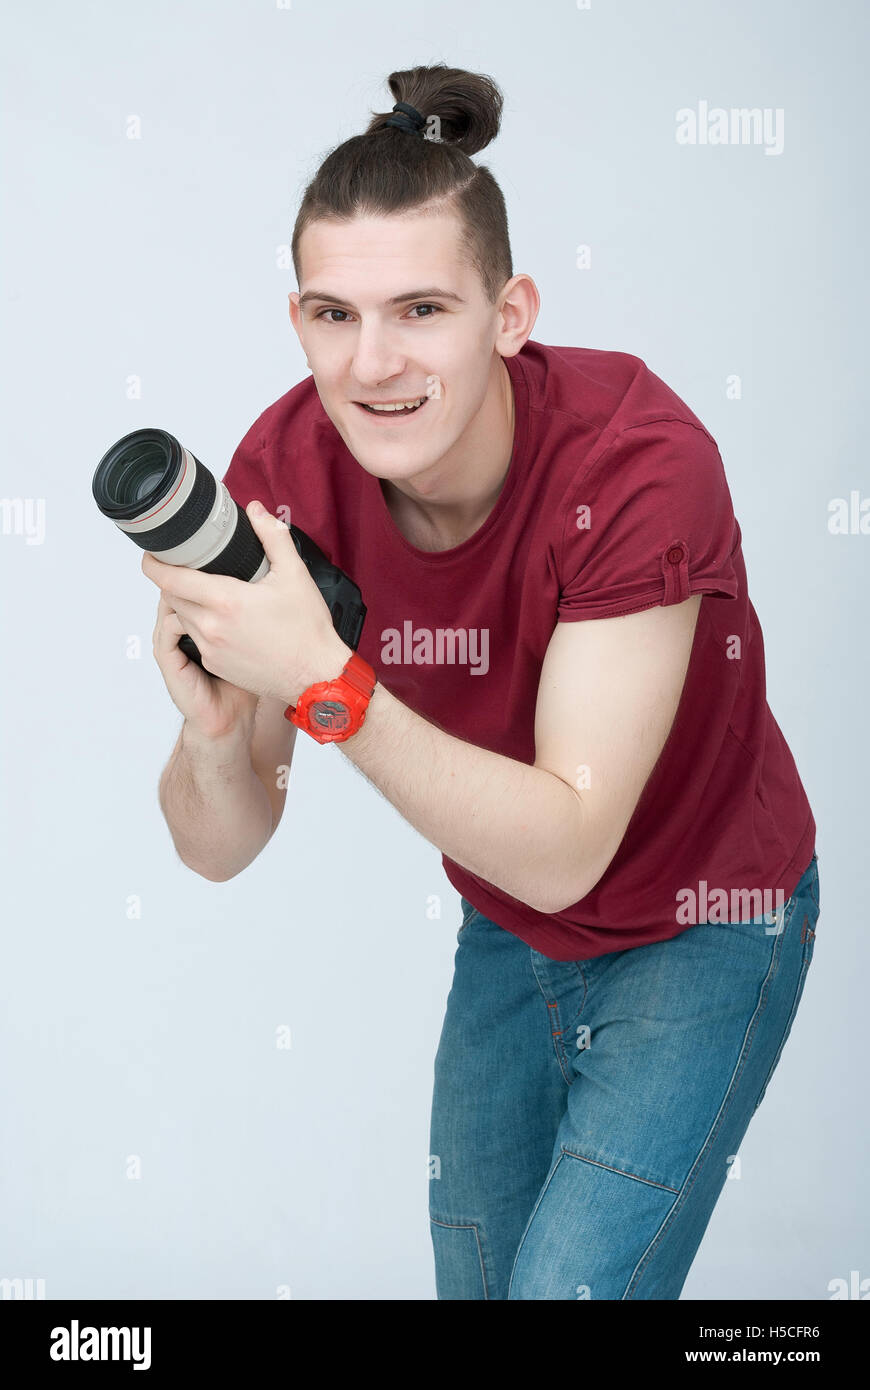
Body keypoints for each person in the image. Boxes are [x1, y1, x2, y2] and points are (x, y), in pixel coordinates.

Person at [145, 65, 820, 1300]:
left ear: (509, 314)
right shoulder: (285, 472)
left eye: (421, 309)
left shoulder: (639, 465)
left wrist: (325, 678)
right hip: (510, 926)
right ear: (296, 321)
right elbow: (222, 845)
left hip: (703, 919)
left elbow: (569, 841)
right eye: (335, 316)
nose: (375, 363)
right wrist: (210, 736)